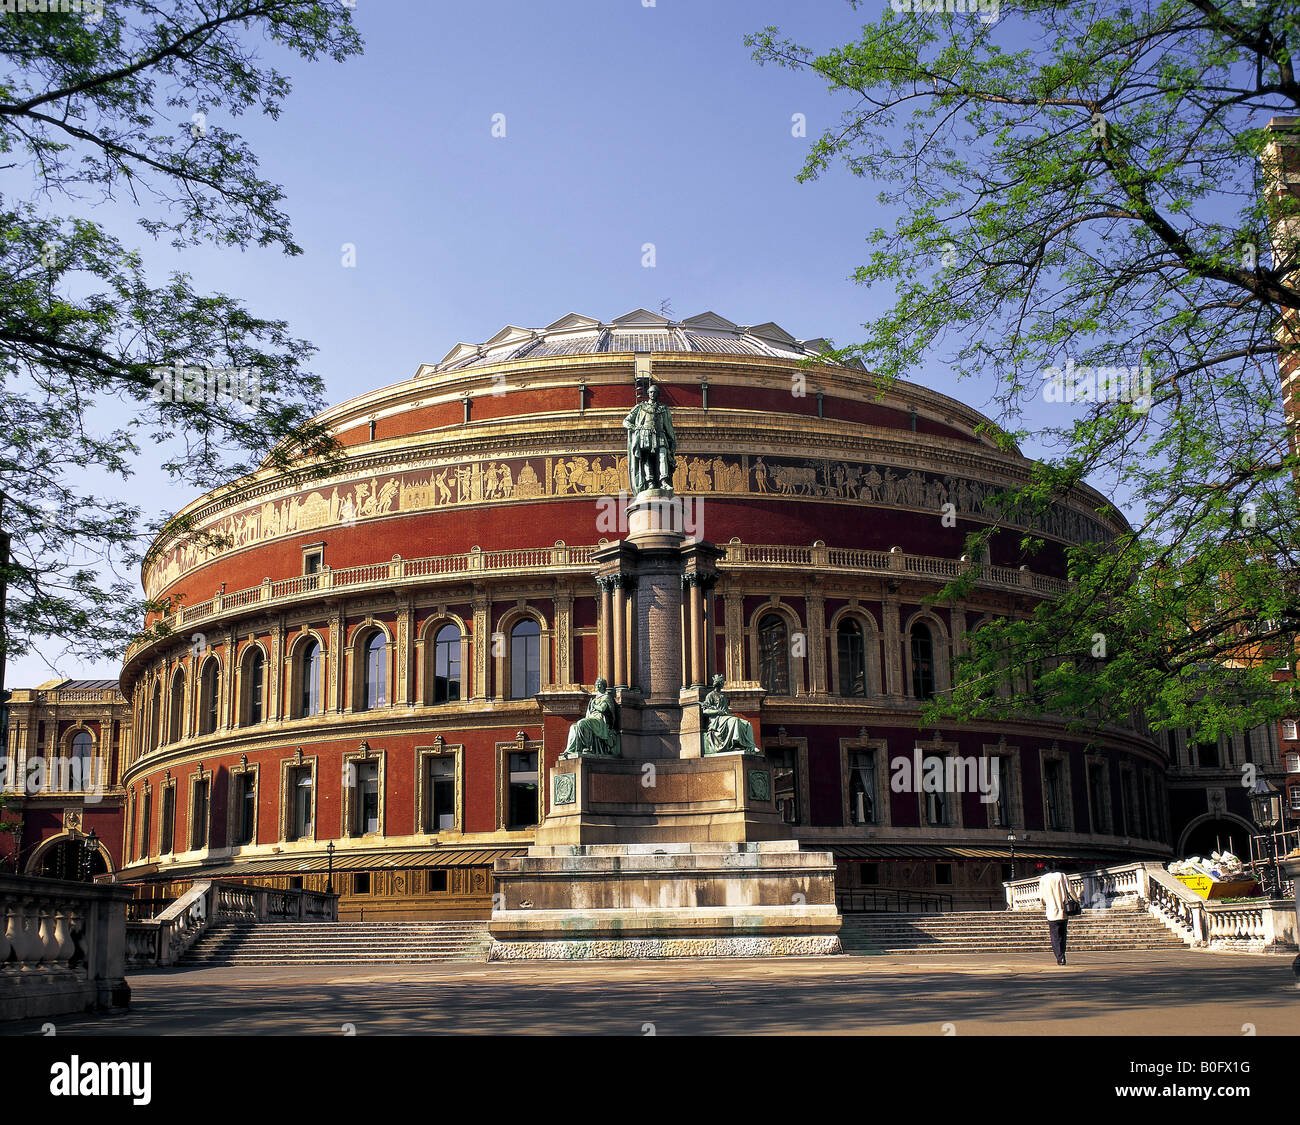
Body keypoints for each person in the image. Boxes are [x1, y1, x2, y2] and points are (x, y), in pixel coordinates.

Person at [561, 678, 621, 758]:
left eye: (599, 684)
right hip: (592, 718)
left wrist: (594, 705)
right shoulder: (595, 699)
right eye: (597, 684)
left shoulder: (606, 697)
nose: (597, 685)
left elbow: (603, 709)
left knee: (582, 723)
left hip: (600, 720)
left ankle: (588, 748)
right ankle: (571, 750)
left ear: (603, 686)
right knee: (573, 727)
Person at [1038, 862, 1077, 965]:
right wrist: (1076, 901)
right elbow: (1071, 891)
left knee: (1055, 936)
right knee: (1063, 935)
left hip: (1051, 911)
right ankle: (1063, 954)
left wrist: (1044, 903)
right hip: (1063, 910)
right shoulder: (1062, 876)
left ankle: (1060, 957)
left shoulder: (1043, 879)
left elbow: (1041, 897)